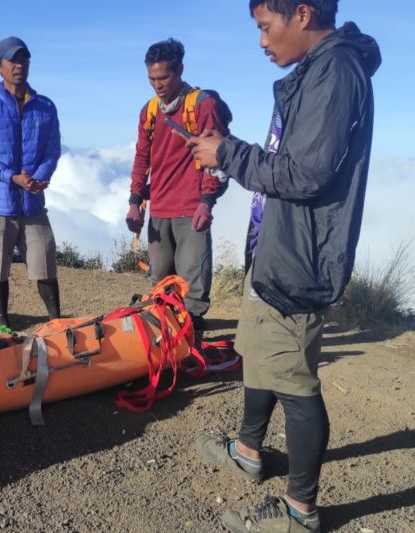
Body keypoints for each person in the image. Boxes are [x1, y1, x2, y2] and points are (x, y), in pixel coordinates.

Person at [186, 2, 380, 532]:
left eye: (264, 28)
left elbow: (307, 175)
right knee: (259, 353)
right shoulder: (318, 70)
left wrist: (227, 153)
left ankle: (301, 513)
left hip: (300, 259)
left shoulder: (336, 72)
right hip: (279, 245)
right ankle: (249, 450)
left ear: (300, 14)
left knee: (295, 382)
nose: (261, 41)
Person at [125, 38, 230, 335]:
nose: (157, 85)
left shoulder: (202, 105)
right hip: (159, 207)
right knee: (160, 279)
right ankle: (165, 338)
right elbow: (142, 156)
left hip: (191, 206)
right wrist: (134, 200)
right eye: (151, 79)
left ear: (180, 70)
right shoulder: (149, 111)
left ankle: (191, 339)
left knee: (192, 282)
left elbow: (218, 157)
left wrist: (207, 201)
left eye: (164, 78)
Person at [0, 36, 62, 334]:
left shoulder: (45, 106)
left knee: (44, 259)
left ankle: (57, 321)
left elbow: (52, 149)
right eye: (12, 61)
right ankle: (3, 321)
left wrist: (40, 177)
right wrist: (13, 177)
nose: (19, 66)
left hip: (33, 202)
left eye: (24, 60)